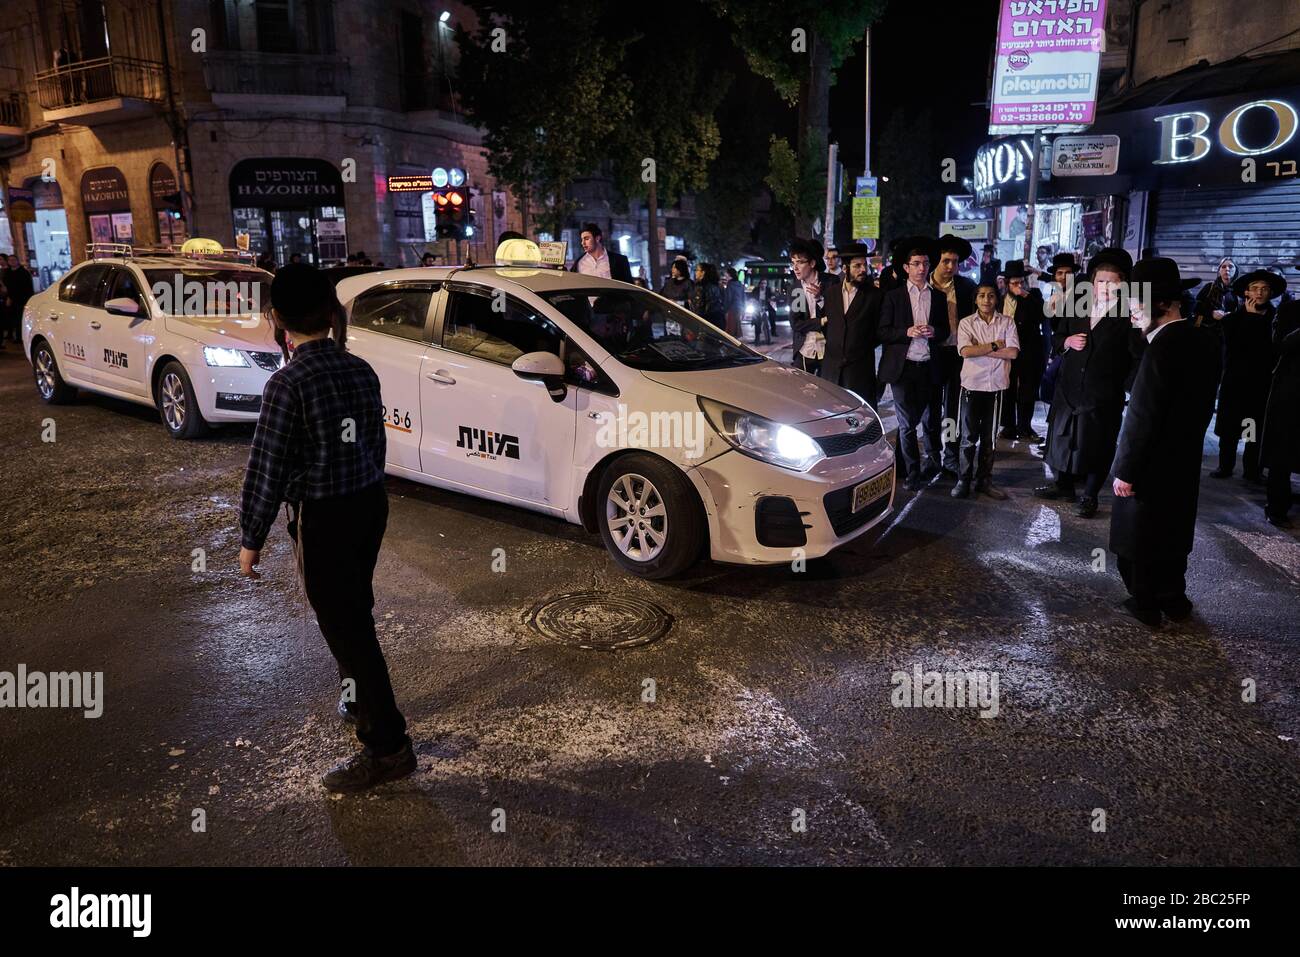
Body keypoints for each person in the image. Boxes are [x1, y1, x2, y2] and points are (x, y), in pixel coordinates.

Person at [237, 264, 414, 793]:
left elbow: (265, 467)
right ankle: (358, 696)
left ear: (277, 321)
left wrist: (251, 538)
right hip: (367, 506)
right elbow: (375, 448)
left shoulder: (286, 384)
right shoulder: (361, 369)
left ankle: (387, 747)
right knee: (353, 609)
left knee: (347, 628)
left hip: (325, 517)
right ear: (332, 315)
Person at [1109, 257, 1221, 627]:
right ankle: (1174, 599)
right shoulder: (1203, 339)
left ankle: (1145, 604)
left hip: (1149, 464)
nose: (1130, 313)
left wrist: (1126, 470)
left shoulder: (1162, 348)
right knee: (1173, 531)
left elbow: (1143, 415)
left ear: (1162, 303)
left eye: (1136, 304)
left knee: (1139, 536)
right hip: (1185, 459)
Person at [1036, 247, 1145, 518]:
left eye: (1112, 282)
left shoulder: (1129, 314)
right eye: (1100, 281)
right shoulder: (1077, 304)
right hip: (1069, 387)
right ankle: (1063, 486)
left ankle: (1090, 495)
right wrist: (1067, 342)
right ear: (1092, 283)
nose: (1106, 287)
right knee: (1062, 437)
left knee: (1099, 443)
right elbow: (1058, 336)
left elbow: (1137, 356)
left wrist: (1126, 387)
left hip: (1103, 392)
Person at [878, 237, 950, 490]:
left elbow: (945, 331)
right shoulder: (893, 297)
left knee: (931, 421)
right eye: (916, 264)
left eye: (926, 263)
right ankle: (912, 472)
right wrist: (906, 332)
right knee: (907, 425)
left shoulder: (938, 298)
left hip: (929, 366)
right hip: (904, 367)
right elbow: (882, 332)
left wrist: (934, 330)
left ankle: (934, 464)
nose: (922, 268)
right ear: (906, 268)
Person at [1211, 269, 1282, 481]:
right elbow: (1235, 348)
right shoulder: (1233, 320)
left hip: (1259, 385)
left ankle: (1251, 470)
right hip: (1235, 383)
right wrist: (1250, 321)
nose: (1259, 293)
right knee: (1230, 430)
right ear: (1246, 293)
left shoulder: (1275, 319)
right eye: (1255, 289)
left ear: (1270, 293)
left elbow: (1270, 350)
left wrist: (1257, 322)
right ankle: (1225, 466)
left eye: (1264, 289)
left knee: (1252, 429)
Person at [953, 282, 1019, 499]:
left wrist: (979, 350)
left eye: (991, 296)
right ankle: (963, 480)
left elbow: (1012, 353)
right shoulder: (966, 323)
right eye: (981, 296)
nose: (986, 300)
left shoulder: (1007, 322)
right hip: (972, 385)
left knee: (989, 437)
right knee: (968, 437)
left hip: (997, 387)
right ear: (975, 299)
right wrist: (994, 346)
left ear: (996, 299)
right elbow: (965, 351)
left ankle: (984, 481)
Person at [929, 234, 977, 477]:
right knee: (931, 409)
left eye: (955, 262)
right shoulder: (924, 285)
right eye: (946, 261)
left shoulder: (967, 287)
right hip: (929, 356)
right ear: (936, 260)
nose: (950, 267)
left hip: (958, 356)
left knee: (953, 410)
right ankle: (932, 456)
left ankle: (950, 456)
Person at [820, 243, 880, 401]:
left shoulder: (875, 295)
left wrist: (858, 346)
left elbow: (878, 332)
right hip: (831, 370)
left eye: (864, 265)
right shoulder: (831, 293)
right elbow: (829, 327)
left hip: (860, 370)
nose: (863, 270)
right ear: (845, 268)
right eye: (857, 266)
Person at [1260, 298, 1300, 527]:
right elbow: (1277, 345)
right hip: (1291, 393)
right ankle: (1276, 508)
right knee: (1282, 454)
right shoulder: (1290, 308)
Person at [998, 261, 1047, 441]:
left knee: (1027, 388)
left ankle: (1025, 427)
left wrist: (1025, 295)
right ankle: (1008, 426)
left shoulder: (1033, 295)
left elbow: (1042, 314)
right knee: (1007, 387)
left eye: (1021, 282)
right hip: (1006, 350)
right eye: (1014, 283)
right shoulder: (1000, 298)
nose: (1018, 286)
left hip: (1029, 349)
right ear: (1007, 282)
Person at [789, 238, 831, 371]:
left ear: (812, 263)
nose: (795, 268)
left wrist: (820, 299)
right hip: (805, 349)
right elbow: (797, 324)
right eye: (793, 262)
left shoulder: (830, 283)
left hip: (829, 350)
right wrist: (822, 321)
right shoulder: (796, 290)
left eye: (800, 262)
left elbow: (836, 316)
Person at [1193, 257, 1237, 328]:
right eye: (1223, 267)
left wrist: (1232, 315)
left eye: (1231, 266)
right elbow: (1196, 306)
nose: (1227, 269)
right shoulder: (1210, 287)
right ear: (1219, 270)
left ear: (1236, 270)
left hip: (1229, 331)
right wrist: (1211, 313)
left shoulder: (1239, 291)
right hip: (1209, 330)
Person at [3, 254, 35, 346]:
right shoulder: (8, 273)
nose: (12, 262)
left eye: (14, 260)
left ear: (17, 261)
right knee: (12, 317)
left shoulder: (23, 272)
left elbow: (25, 287)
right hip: (11, 299)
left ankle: (20, 337)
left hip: (21, 298)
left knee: (20, 318)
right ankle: (12, 335)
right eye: (10, 260)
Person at [689, 262, 725, 330]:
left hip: (704, 323)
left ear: (703, 272)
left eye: (697, 270)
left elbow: (699, 308)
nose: (695, 272)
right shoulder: (718, 286)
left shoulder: (700, 286)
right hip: (718, 321)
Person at [722, 266, 746, 338]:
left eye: (726, 275)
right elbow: (743, 298)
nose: (725, 276)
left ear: (730, 275)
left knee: (730, 329)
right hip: (739, 308)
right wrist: (743, 309)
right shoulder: (740, 285)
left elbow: (728, 299)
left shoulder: (730, 285)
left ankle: (731, 346)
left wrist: (725, 310)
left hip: (731, 309)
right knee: (736, 328)